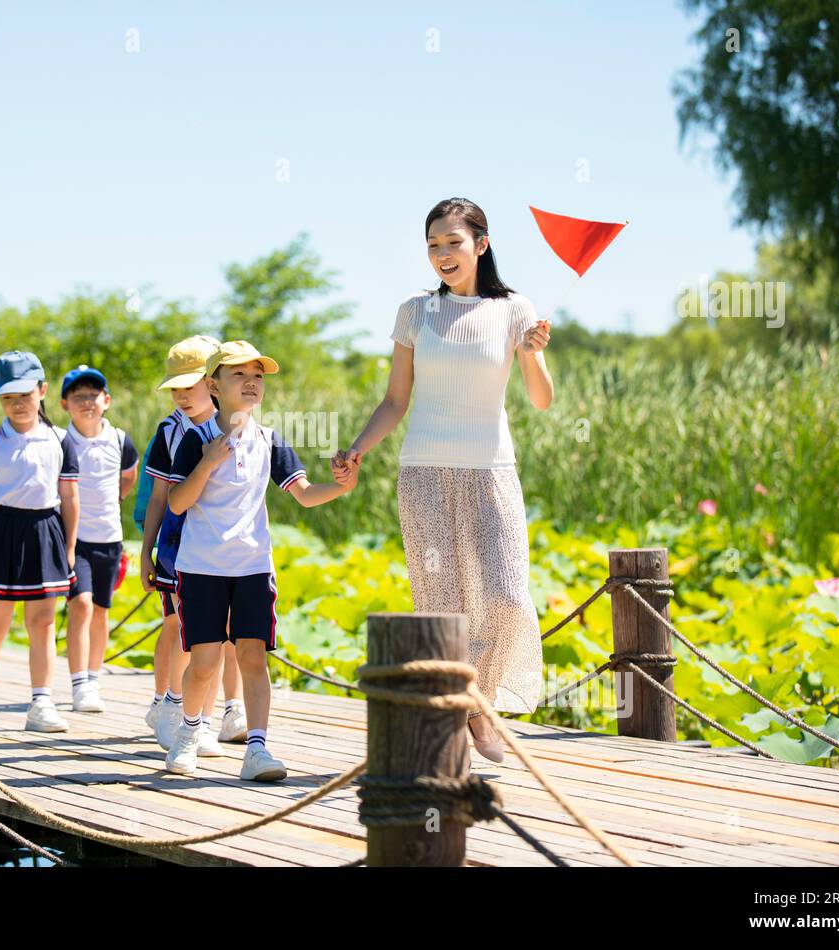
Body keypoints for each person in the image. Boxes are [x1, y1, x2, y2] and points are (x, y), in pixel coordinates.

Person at [332, 197, 554, 765]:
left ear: (481, 244)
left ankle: (475, 702)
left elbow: (542, 398)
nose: (442, 255)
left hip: (491, 472)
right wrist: (356, 449)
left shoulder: (515, 310)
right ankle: (465, 713)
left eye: (453, 243)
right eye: (433, 245)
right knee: (442, 603)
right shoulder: (415, 312)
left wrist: (531, 353)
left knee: (505, 596)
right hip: (424, 474)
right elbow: (395, 400)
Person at [162, 341, 358, 780]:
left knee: (253, 656)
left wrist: (341, 486)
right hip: (202, 569)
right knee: (205, 663)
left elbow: (305, 494)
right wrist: (209, 463)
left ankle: (257, 748)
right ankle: (190, 732)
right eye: (239, 375)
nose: (251, 383)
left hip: (253, 567)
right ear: (213, 385)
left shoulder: (270, 439)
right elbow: (177, 503)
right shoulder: (194, 439)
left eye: (258, 376)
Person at [0, 350, 80, 732]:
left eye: (25, 395)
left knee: (43, 622)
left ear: (42, 391)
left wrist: (71, 546)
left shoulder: (61, 440)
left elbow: (70, 497)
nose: (18, 404)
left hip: (45, 530)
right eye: (8, 397)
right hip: (0, 530)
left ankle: (41, 702)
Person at [137, 337, 246, 757]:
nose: (183, 396)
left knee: (224, 634)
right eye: (176, 388)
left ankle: (218, 711)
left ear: (215, 382)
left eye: (193, 384)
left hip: (226, 547)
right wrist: (146, 551)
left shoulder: (237, 423)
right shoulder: (170, 430)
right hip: (178, 545)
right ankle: (169, 705)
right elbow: (159, 497)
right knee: (179, 626)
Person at [58, 364, 139, 713]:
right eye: (78, 397)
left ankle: (93, 678)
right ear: (64, 404)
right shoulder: (60, 441)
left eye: (93, 395)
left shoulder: (120, 439)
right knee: (81, 605)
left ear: (106, 400)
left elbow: (129, 476)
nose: (86, 402)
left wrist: (114, 501)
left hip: (110, 538)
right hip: (74, 540)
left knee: (102, 612)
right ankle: (79, 683)